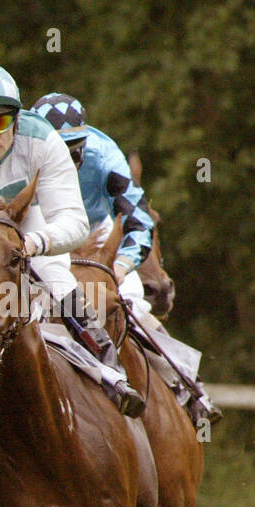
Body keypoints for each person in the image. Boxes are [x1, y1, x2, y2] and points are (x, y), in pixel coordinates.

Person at [0, 65, 146, 466]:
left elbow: (73, 221)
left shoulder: (43, 141)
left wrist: (35, 242)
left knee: (54, 273)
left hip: (27, 215)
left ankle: (111, 372)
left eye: (0, 121)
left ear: (17, 118)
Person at [32, 91, 221, 425]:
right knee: (11, 307)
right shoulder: (16, 157)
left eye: (75, 151)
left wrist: (119, 268)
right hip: (42, 233)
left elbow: (140, 221)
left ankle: (188, 385)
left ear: (85, 142)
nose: (68, 160)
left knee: (132, 300)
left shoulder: (105, 157)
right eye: (58, 152)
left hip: (97, 227)